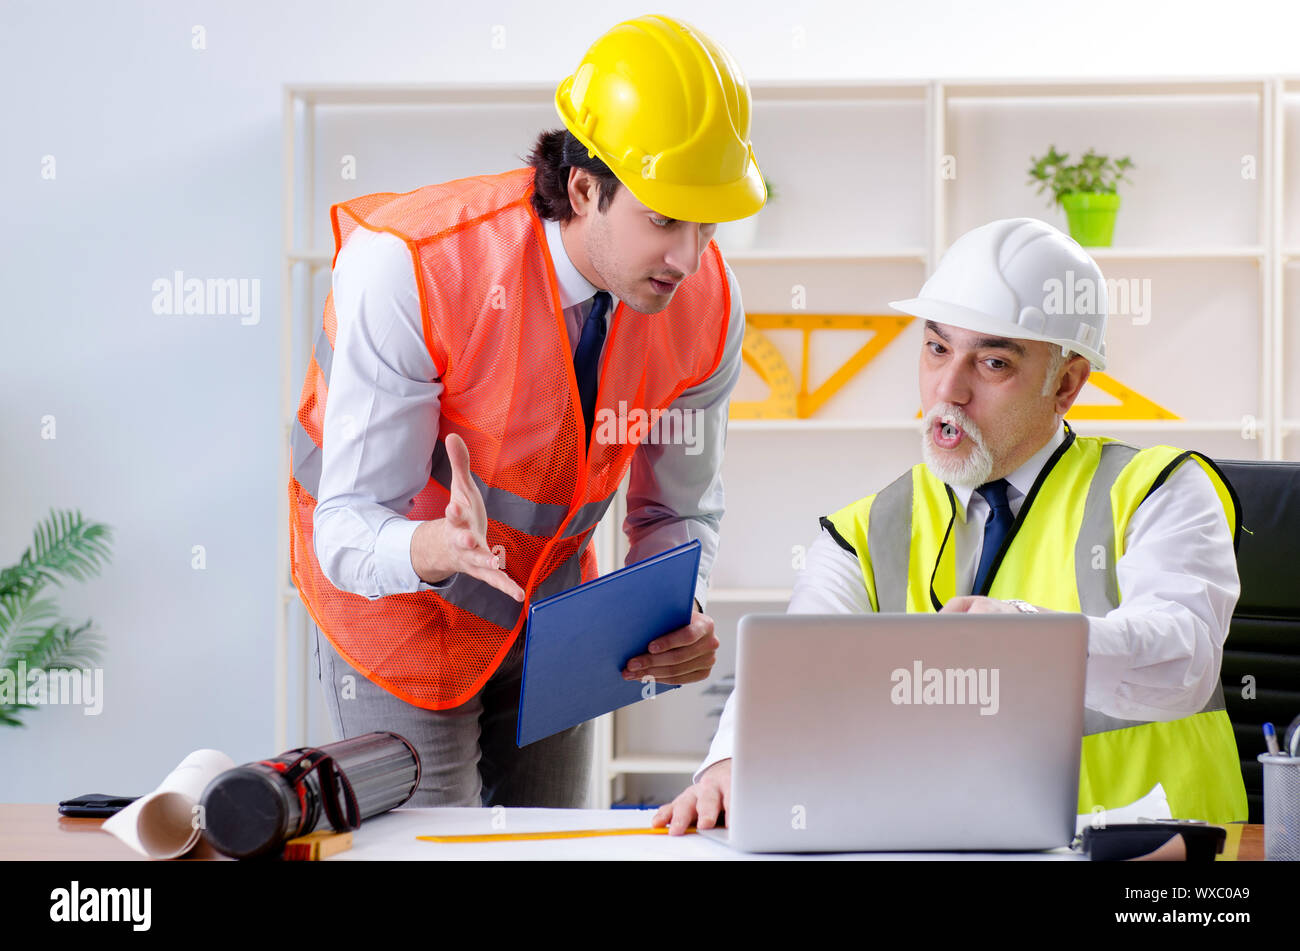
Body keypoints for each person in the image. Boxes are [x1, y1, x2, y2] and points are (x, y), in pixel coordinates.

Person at [288, 14, 764, 807]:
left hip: (551, 617)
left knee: (550, 846)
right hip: (402, 602)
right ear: (584, 188)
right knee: (430, 853)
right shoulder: (413, 268)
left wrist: (678, 609)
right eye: (664, 219)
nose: (690, 257)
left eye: (708, 222)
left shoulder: (708, 301)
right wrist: (438, 546)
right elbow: (344, 527)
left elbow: (677, 508)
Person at [655, 217, 1249, 834]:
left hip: (1154, 863)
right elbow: (794, 668)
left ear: (1066, 383)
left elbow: (1184, 659)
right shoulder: (863, 532)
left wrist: (1033, 643)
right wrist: (730, 760)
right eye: (937, 348)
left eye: (992, 363)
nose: (948, 389)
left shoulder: (1158, 490)